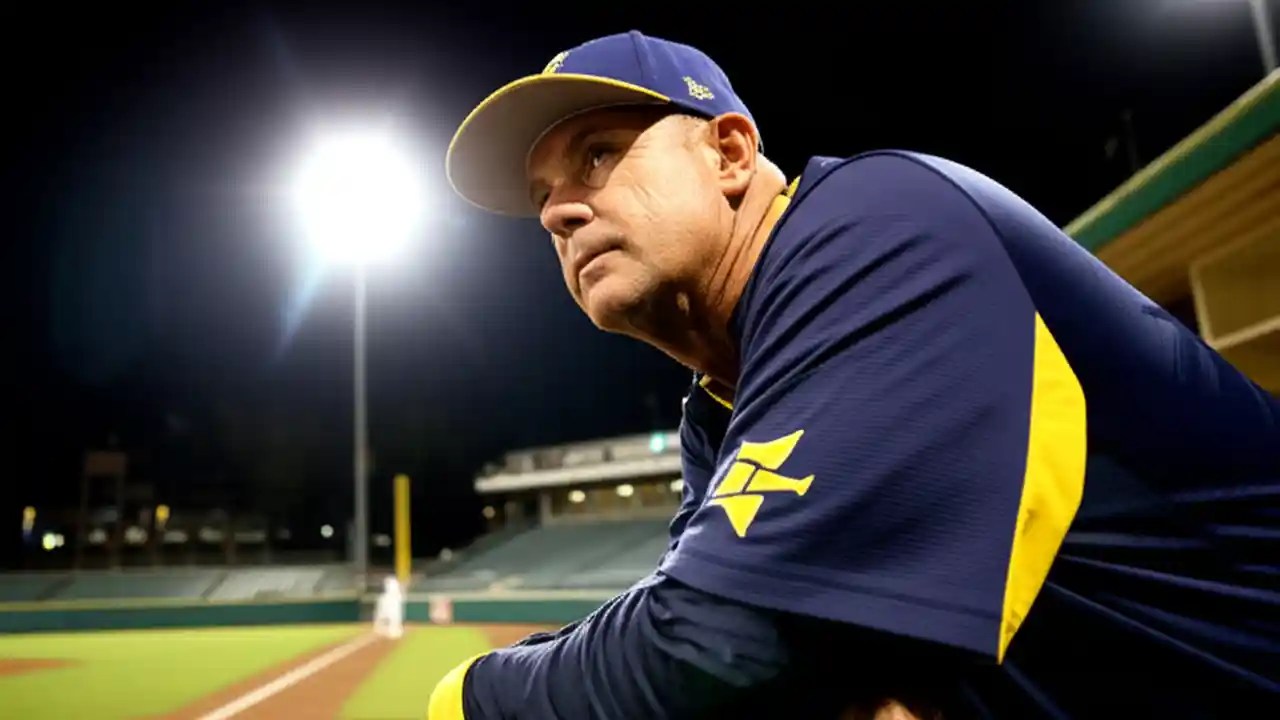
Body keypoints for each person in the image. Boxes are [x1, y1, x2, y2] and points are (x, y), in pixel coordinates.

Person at [429, 30, 1280, 719]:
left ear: (729, 153)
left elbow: (714, 650)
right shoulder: (717, 402)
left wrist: (466, 697)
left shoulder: (879, 231)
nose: (557, 211)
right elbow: (755, 650)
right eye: (542, 195)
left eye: (598, 155)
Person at [373, 575, 405, 639]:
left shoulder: (396, 594)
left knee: (393, 619)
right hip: (390, 602)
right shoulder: (386, 596)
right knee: (384, 618)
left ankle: (391, 629)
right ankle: (386, 629)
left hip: (393, 603)